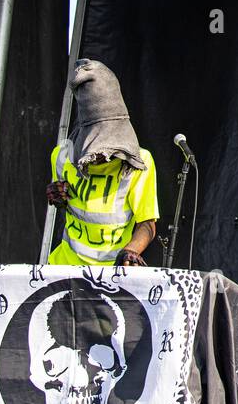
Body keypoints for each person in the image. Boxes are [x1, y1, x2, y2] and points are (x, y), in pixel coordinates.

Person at [45, 59, 159, 267]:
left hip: (111, 277)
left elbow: (147, 224)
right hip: (63, 269)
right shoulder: (62, 156)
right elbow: (70, 206)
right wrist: (58, 196)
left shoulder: (140, 163)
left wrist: (131, 251)